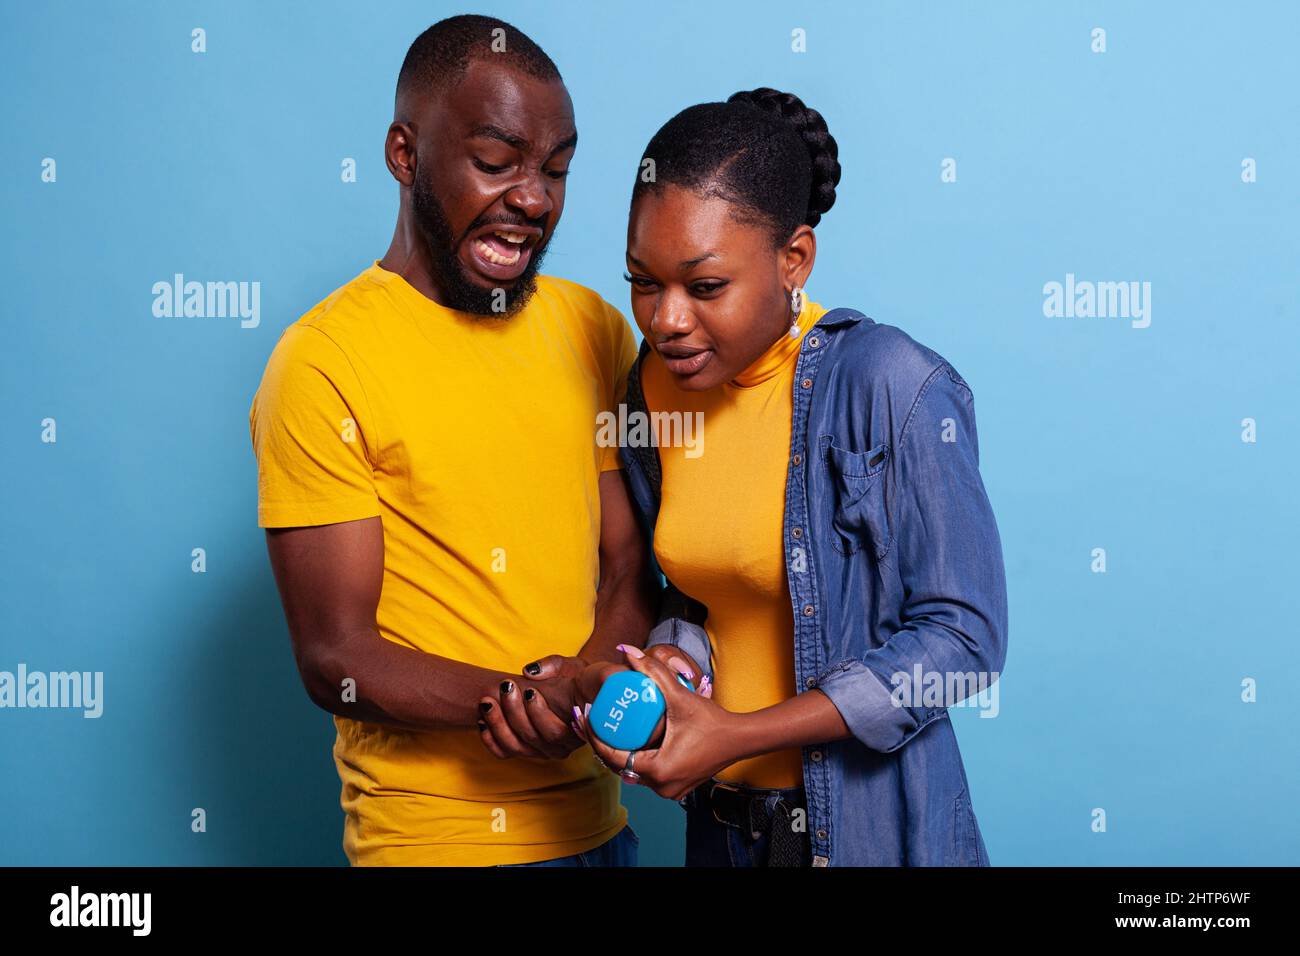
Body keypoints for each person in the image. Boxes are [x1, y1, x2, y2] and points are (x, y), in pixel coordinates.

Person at [248, 15, 658, 866]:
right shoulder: (323, 362)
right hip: (433, 845)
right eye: (496, 162)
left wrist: (581, 693)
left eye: (555, 169)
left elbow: (627, 564)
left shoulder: (594, 331)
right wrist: (518, 703)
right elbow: (334, 656)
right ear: (404, 154)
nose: (534, 198)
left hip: (602, 831)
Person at [575, 88, 1010, 866]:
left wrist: (738, 734)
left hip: (874, 835)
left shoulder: (894, 386)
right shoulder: (649, 391)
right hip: (721, 833)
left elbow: (963, 640)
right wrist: (677, 661)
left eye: (705, 286)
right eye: (643, 281)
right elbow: (691, 595)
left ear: (794, 259)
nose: (666, 319)